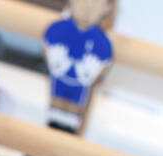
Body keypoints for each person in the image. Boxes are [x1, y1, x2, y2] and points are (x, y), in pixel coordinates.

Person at [43, 0, 113, 133]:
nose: (88, 6)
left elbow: (103, 64)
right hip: (58, 83)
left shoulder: (102, 41)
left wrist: (88, 72)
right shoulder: (58, 28)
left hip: (79, 92)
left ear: (106, 7)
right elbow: (48, 44)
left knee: (72, 116)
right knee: (55, 109)